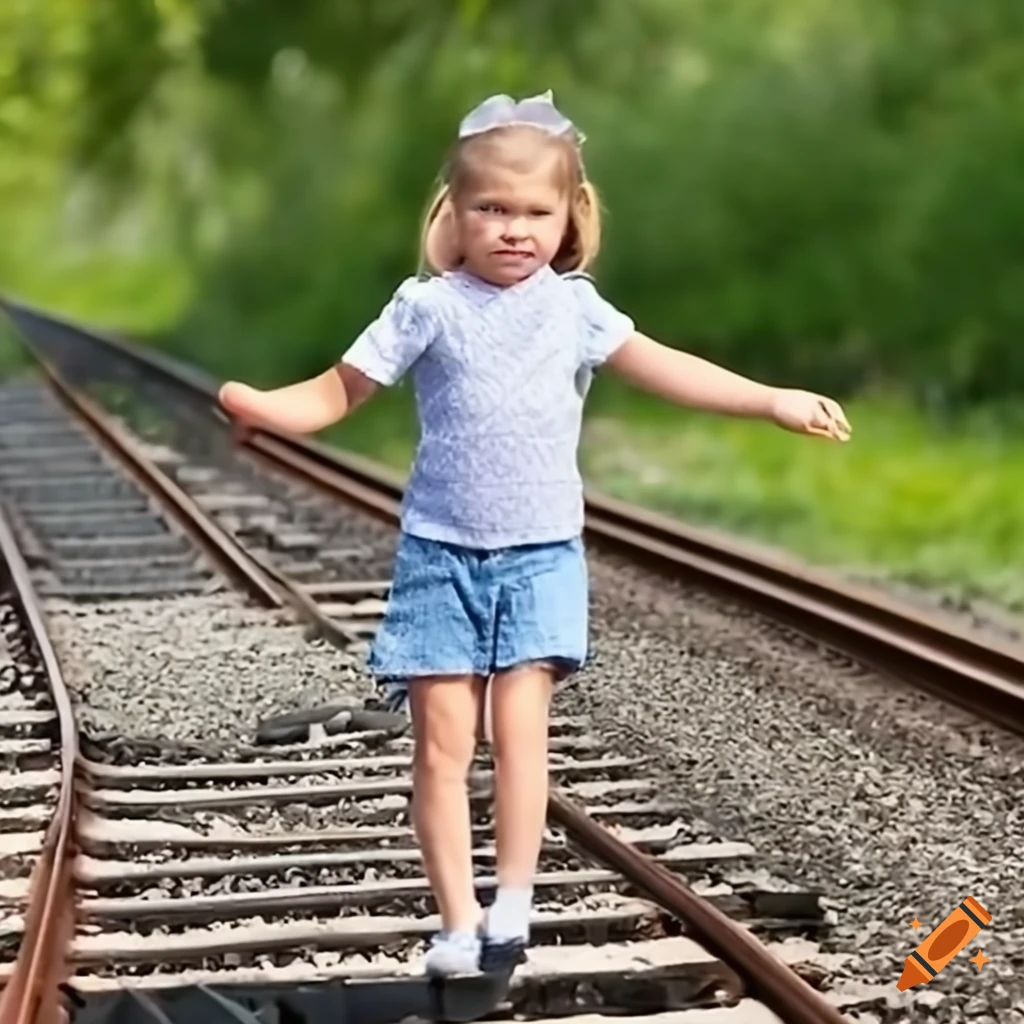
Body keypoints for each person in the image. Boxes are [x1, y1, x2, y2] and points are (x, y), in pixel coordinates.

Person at [217, 90, 852, 979]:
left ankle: (513, 902)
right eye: (492, 209)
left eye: (534, 213)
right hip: (440, 556)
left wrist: (769, 399)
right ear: (457, 212)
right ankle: (456, 921)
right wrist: (264, 407)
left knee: (521, 735)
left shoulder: (575, 310)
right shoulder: (426, 307)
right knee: (441, 747)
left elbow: (664, 366)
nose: (513, 229)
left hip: (542, 557)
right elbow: (338, 390)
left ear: (568, 217)